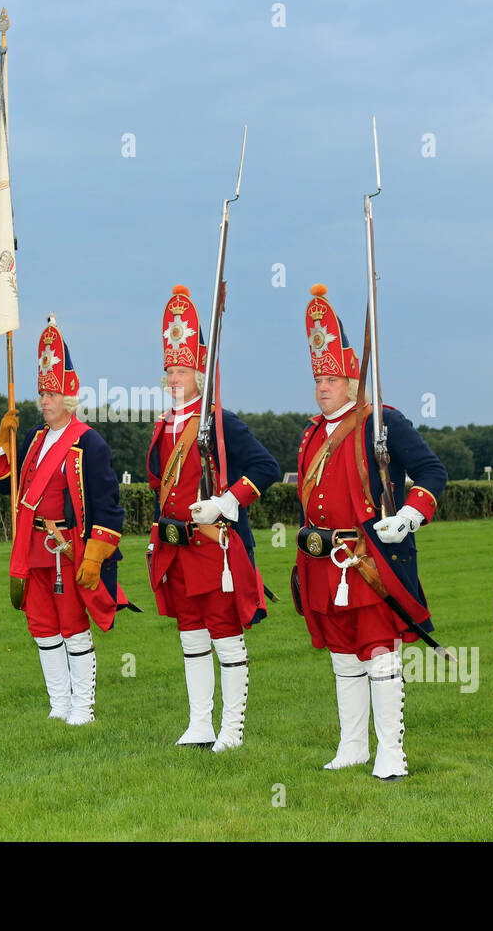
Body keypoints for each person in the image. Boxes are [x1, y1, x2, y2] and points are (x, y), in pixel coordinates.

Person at [292, 284, 447, 779]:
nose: (324, 386)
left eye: (333, 378)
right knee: (342, 656)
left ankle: (391, 752)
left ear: (353, 378)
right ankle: (353, 744)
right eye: (319, 378)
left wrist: (409, 515)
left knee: (380, 654)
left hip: (370, 558)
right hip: (324, 560)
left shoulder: (383, 421)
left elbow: (431, 472)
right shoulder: (313, 431)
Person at [146, 285, 281, 752]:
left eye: (183, 369)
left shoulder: (219, 420)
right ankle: (199, 723)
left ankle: (233, 730)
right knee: (190, 637)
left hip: (216, 548)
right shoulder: (164, 425)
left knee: (225, 638)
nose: (175, 377)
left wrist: (225, 501)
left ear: (199, 372)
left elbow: (266, 467)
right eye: (170, 370)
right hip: (178, 548)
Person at [0, 316, 128, 726]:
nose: (43, 401)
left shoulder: (90, 442)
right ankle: (58, 704)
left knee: (72, 627)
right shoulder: (30, 438)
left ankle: (82, 707)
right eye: (41, 393)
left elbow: (108, 505)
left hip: (68, 550)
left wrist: (96, 557)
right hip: (32, 548)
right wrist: (2, 438)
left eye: (51, 393)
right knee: (43, 627)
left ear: (68, 396)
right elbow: (7, 486)